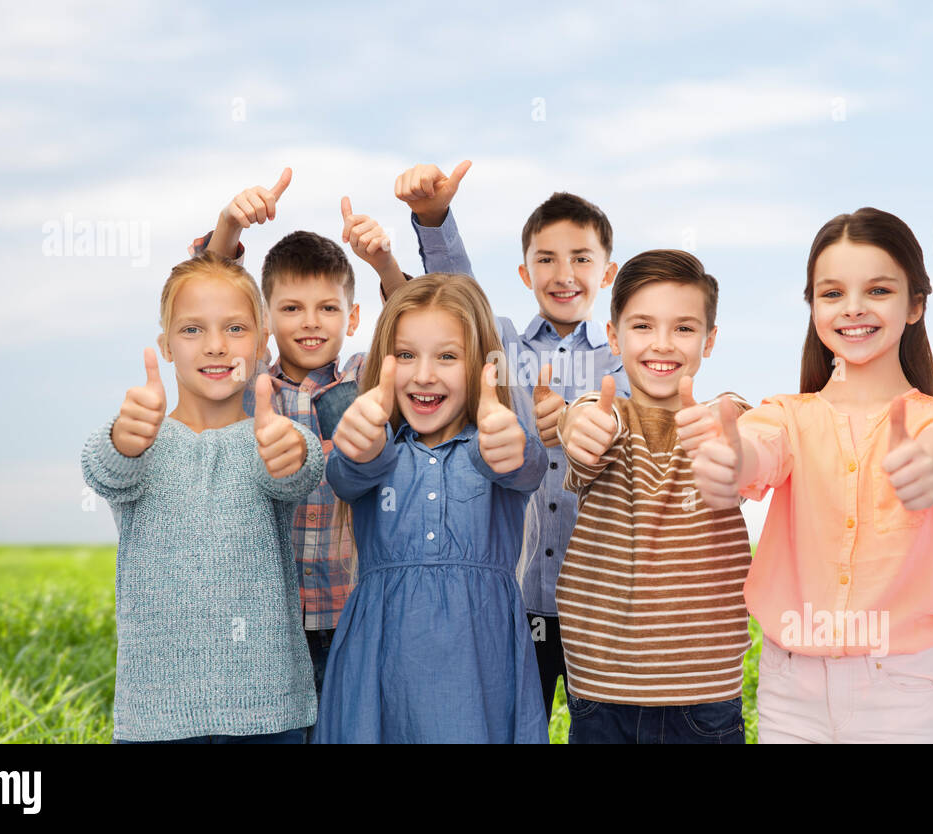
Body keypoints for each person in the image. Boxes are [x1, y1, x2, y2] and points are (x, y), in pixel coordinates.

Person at [688, 207, 933, 743]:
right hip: (790, 691)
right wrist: (731, 461)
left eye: (878, 291)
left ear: (915, 304)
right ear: (813, 308)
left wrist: (931, 460)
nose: (853, 309)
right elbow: (758, 450)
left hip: (901, 689)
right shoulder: (785, 415)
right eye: (831, 294)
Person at [396, 161, 629, 722]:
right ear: (525, 273)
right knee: (507, 722)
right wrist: (433, 218)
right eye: (545, 259)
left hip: (596, 604)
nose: (563, 272)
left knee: (601, 729)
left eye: (581, 259)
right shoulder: (504, 346)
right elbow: (460, 290)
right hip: (517, 601)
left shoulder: (624, 359)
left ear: (608, 271)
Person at [187, 168, 407, 731]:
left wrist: (383, 264)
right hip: (264, 622)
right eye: (290, 309)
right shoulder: (246, 381)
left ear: (354, 317)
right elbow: (207, 296)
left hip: (349, 616)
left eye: (328, 309)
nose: (311, 322)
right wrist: (228, 226)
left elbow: (417, 326)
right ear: (263, 320)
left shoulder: (365, 378)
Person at [82, 251, 324, 743]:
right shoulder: (140, 440)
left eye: (235, 329)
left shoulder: (273, 437)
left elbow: (299, 470)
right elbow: (104, 471)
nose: (215, 346)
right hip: (156, 715)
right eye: (192, 330)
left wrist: (293, 449)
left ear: (261, 343)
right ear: (165, 345)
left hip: (267, 710)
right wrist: (122, 441)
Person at [313, 273, 549, 743]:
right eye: (405, 355)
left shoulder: (496, 447)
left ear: (483, 365)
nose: (423, 374)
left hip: (478, 676)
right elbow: (346, 473)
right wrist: (360, 445)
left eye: (448, 356)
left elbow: (526, 466)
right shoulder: (376, 451)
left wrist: (509, 440)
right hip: (378, 675)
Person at [554, 250, 752, 744]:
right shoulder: (605, 417)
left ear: (709, 342)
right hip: (602, 692)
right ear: (614, 337)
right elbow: (581, 428)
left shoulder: (726, 419)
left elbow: (750, 442)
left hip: (704, 696)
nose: (662, 344)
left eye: (684, 329)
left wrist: (735, 448)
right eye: (643, 326)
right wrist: (578, 425)